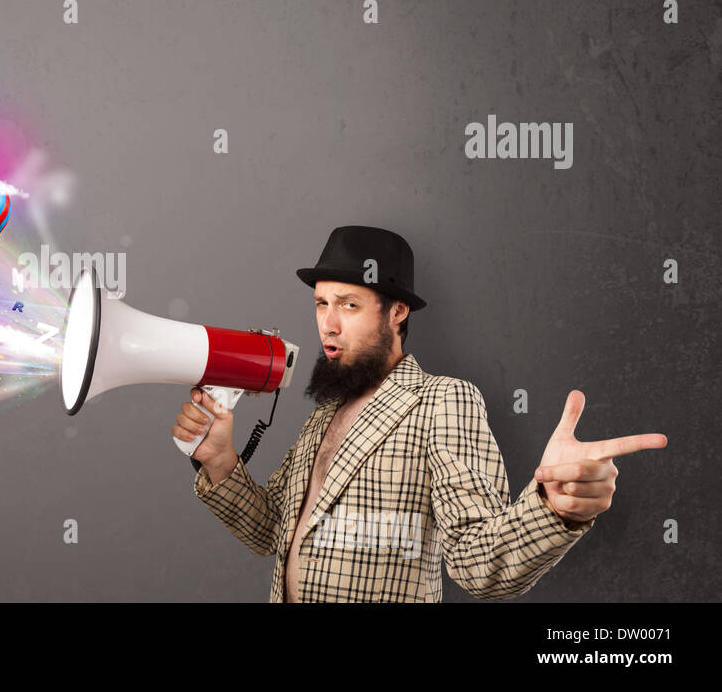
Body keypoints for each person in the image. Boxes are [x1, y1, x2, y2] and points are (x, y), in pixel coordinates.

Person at [178, 225, 667, 602]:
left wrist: (552, 509)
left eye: (349, 304)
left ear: (397, 312)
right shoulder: (326, 412)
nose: (328, 323)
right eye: (321, 303)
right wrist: (220, 460)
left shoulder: (442, 400)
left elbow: (478, 563)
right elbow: (272, 532)